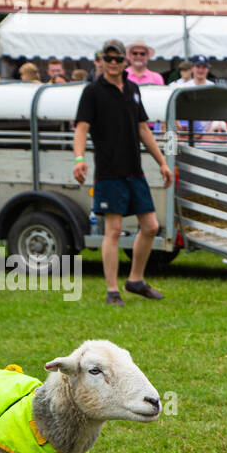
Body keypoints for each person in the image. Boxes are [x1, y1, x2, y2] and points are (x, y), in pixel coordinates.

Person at [73, 39, 173, 306]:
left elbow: (143, 128)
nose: (114, 63)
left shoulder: (132, 88)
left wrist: (162, 162)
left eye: (118, 59)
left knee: (150, 226)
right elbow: (81, 128)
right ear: (102, 60)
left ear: (125, 61)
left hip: (134, 171)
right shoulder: (92, 91)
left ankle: (136, 280)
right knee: (114, 230)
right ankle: (112, 291)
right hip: (108, 171)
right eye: (109, 59)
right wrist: (79, 159)